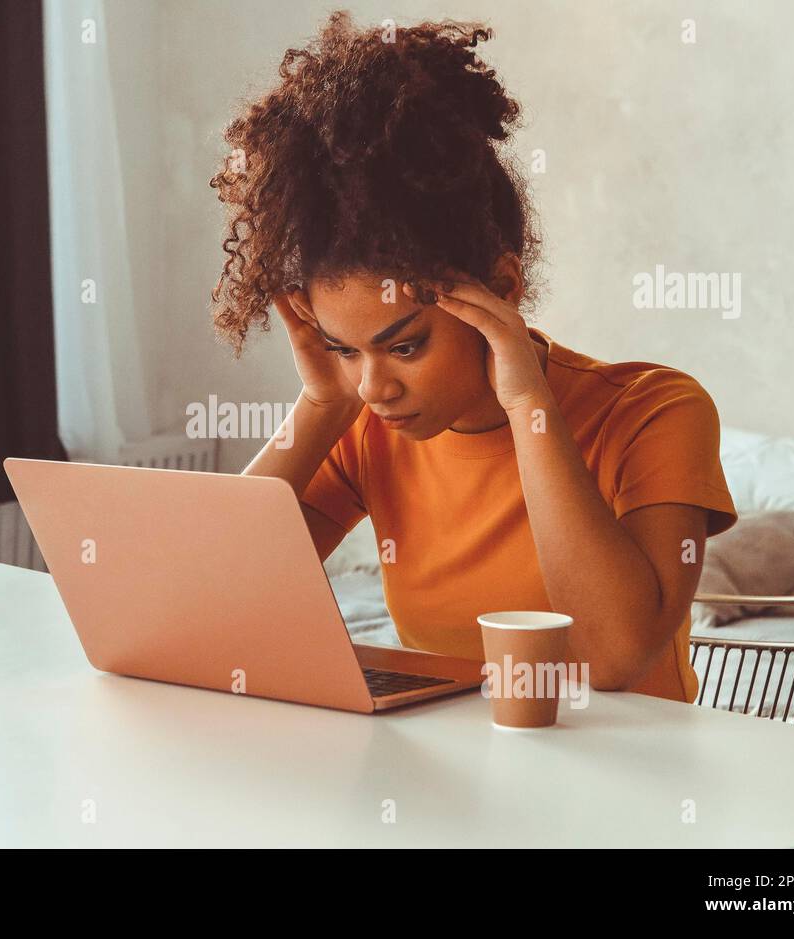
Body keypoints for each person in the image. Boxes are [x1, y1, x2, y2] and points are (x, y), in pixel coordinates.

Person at [208, 11, 738, 702]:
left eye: (404, 345)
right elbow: (215, 604)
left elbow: (611, 659)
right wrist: (318, 405)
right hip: (453, 789)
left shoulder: (654, 412)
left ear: (502, 291)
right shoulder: (365, 428)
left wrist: (528, 408)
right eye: (343, 349)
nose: (373, 386)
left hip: (637, 791)